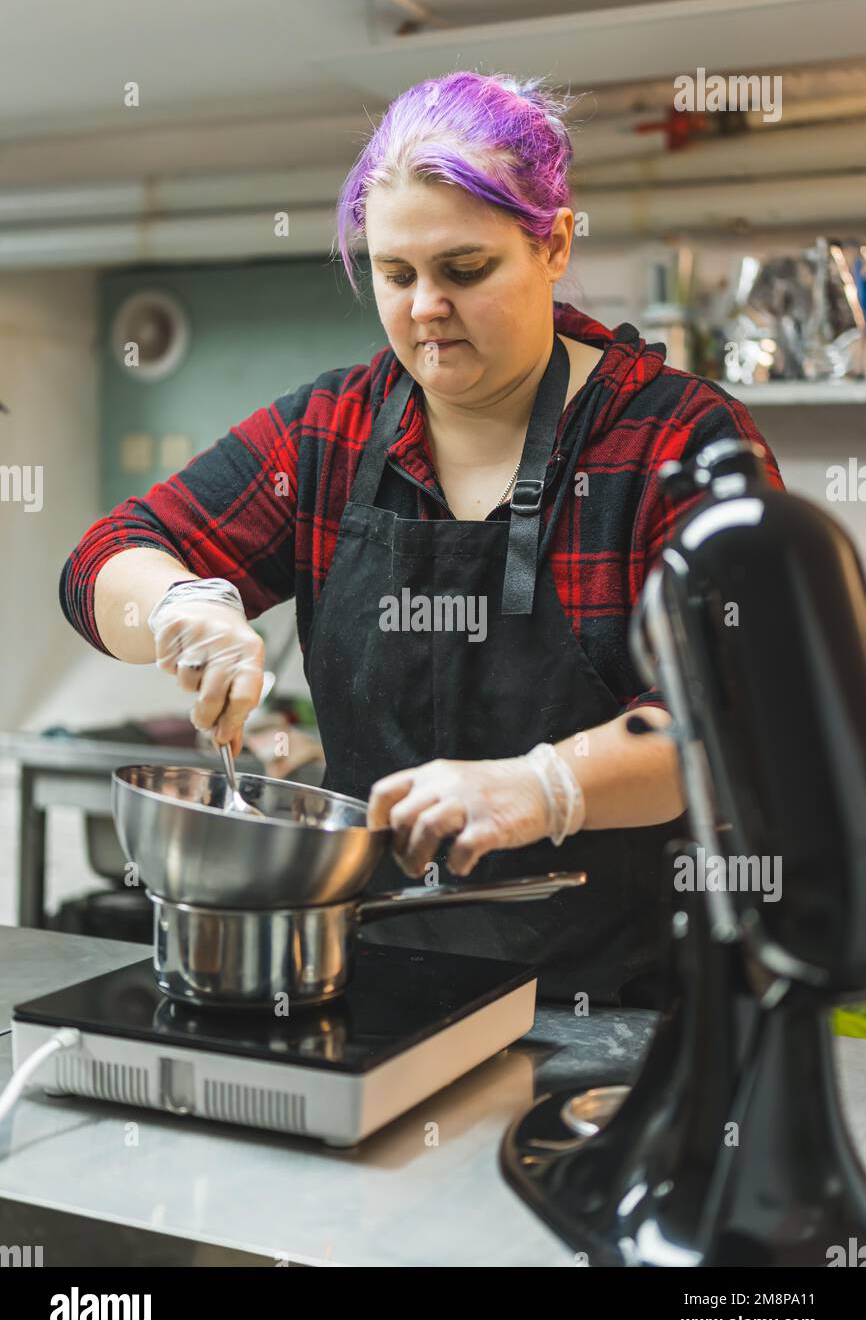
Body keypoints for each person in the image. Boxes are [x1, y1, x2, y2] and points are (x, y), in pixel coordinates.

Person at [60, 71, 784, 1006]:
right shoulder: (330, 429)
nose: (425, 309)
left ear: (554, 244)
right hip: (378, 989)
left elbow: (737, 719)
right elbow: (105, 556)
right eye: (396, 275)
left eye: (465, 270)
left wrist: (546, 786)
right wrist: (177, 604)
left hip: (632, 1011)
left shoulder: (676, 444)